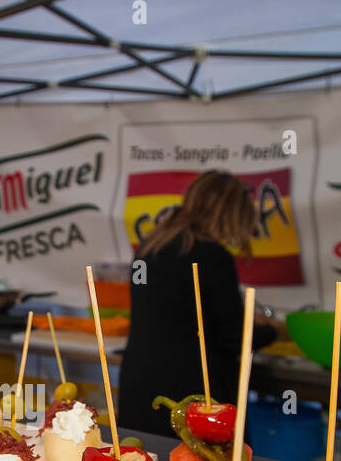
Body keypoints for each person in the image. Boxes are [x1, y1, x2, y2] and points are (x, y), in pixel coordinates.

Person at [117, 170, 277, 439]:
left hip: (140, 384)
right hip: (191, 393)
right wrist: (272, 330)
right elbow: (234, 339)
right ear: (230, 213)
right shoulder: (212, 255)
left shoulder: (151, 247)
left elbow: (175, 316)